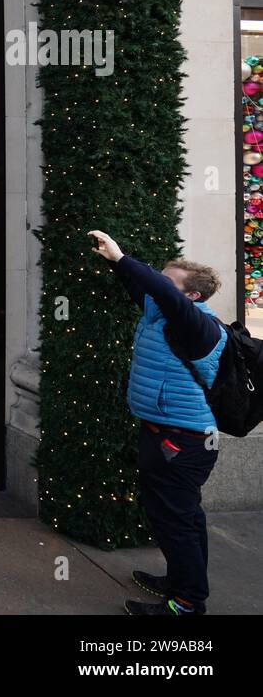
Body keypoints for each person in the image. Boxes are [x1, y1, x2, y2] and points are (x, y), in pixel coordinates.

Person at [89, 230, 228, 616]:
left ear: (191, 296)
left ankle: (187, 603)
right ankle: (182, 581)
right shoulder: (161, 314)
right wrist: (116, 266)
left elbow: (156, 288)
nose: (157, 286)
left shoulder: (196, 325)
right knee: (177, 517)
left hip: (184, 442)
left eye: (168, 282)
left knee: (178, 520)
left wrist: (122, 257)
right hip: (162, 434)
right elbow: (145, 288)